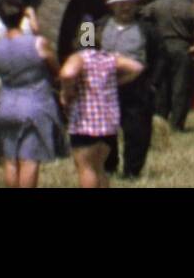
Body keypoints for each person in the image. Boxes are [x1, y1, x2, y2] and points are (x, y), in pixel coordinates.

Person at [0, 0, 69, 188]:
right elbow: (57, 70)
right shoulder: (38, 43)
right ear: (22, 15)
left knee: (10, 161)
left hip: (5, 104)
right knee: (29, 160)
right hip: (35, 105)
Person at [100, 0, 163, 178]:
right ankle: (108, 168)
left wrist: (153, 82)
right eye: (120, 3)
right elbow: (81, 53)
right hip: (103, 87)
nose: (125, 7)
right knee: (104, 131)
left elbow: (161, 56)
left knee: (137, 131)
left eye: (130, 3)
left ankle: (132, 171)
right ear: (112, 5)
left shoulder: (148, 29)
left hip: (137, 88)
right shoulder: (94, 25)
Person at [60, 47, 144, 188]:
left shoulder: (80, 57)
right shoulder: (109, 58)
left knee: (86, 168)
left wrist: (67, 92)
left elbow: (67, 73)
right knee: (99, 168)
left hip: (85, 123)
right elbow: (137, 67)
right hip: (108, 123)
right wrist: (118, 81)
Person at [145, 0, 194, 131]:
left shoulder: (155, 5)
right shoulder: (188, 7)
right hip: (182, 47)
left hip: (160, 48)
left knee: (161, 86)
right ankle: (177, 124)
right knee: (181, 86)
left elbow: (141, 17)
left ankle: (160, 121)